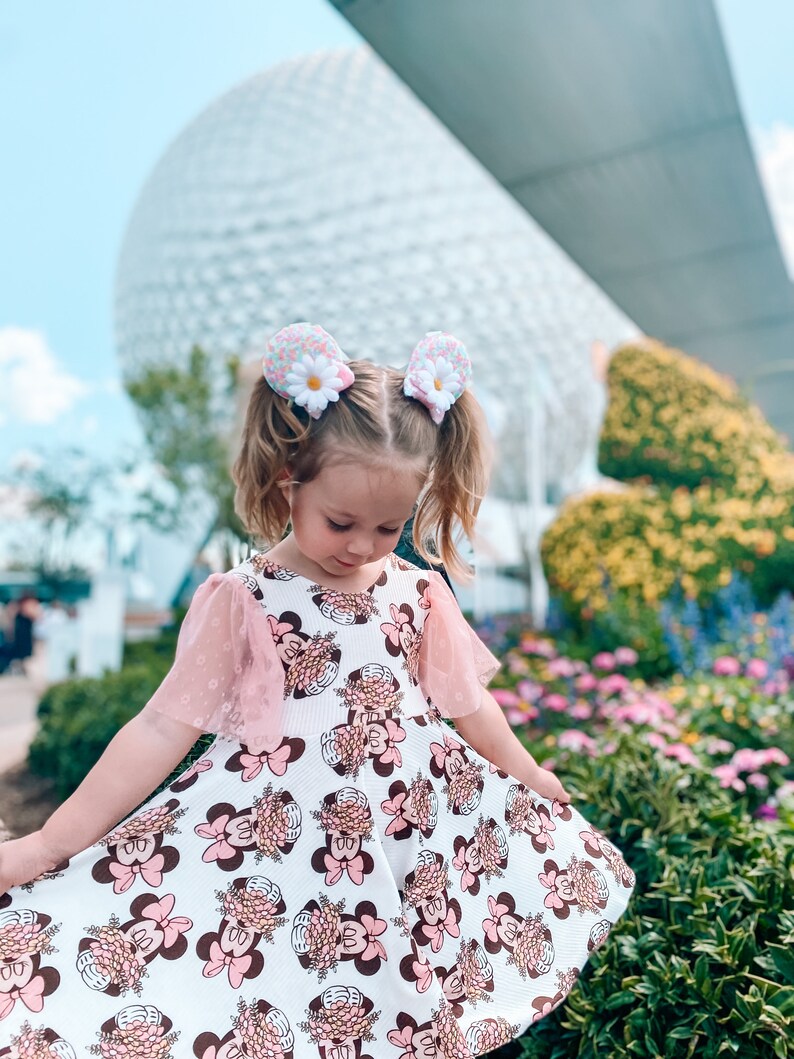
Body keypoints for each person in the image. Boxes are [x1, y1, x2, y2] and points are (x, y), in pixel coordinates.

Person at [0, 324, 635, 1056]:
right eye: (341, 520)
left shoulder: (418, 593)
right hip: (280, 854)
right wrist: (50, 843)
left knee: (392, 1013)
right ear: (286, 481)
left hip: (403, 850)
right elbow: (159, 728)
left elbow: (468, 705)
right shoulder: (247, 596)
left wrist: (526, 772)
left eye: (389, 525)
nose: (364, 544)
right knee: (269, 1015)